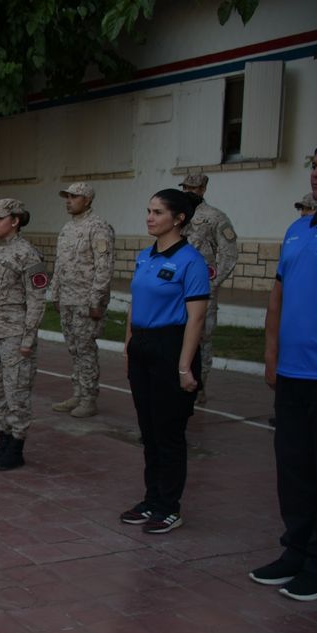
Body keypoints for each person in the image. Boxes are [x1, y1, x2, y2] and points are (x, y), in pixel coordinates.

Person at [254, 138, 317, 601]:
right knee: (294, 468)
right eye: (315, 165)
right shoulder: (299, 230)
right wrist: (271, 355)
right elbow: (278, 296)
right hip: (293, 374)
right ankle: (296, 550)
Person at [119, 189, 210, 534]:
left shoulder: (191, 261)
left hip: (171, 348)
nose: (150, 217)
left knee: (169, 432)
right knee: (149, 431)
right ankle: (151, 499)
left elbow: (196, 319)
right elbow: (135, 303)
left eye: (158, 212)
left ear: (179, 218)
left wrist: (184, 367)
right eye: (148, 211)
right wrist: (128, 345)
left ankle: (169, 506)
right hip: (143, 346)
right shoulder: (145, 256)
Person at [0, 199, 47, 471]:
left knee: (16, 391)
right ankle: (3, 440)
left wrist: (28, 339)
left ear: (15, 221)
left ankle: (16, 446)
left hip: (15, 335)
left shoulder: (28, 254)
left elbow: (37, 300)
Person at [47, 182, 115, 418]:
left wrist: (96, 300)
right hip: (68, 298)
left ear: (87, 200)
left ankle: (88, 398)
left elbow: (104, 267)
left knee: (86, 350)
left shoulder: (99, 227)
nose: (68, 201)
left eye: (74, 197)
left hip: (86, 301)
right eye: (67, 197)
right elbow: (59, 264)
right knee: (74, 348)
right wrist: (55, 293)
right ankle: (77, 393)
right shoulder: (67, 228)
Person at [179, 174, 237, 404]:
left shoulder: (215, 217)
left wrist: (213, 284)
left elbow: (229, 253)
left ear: (203, 189)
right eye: (185, 187)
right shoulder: (177, 213)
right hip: (177, 288)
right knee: (176, 335)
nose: (189, 191)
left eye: (193, 187)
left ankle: (198, 387)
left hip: (202, 290)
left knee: (202, 337)